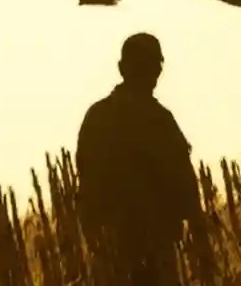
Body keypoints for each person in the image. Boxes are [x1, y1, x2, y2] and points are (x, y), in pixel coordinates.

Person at [75, 32, 202, 285]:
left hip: (123, 249)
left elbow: (86, 183)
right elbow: (186, 185)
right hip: (143, 248)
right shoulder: (160, 120)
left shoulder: (99, 116)